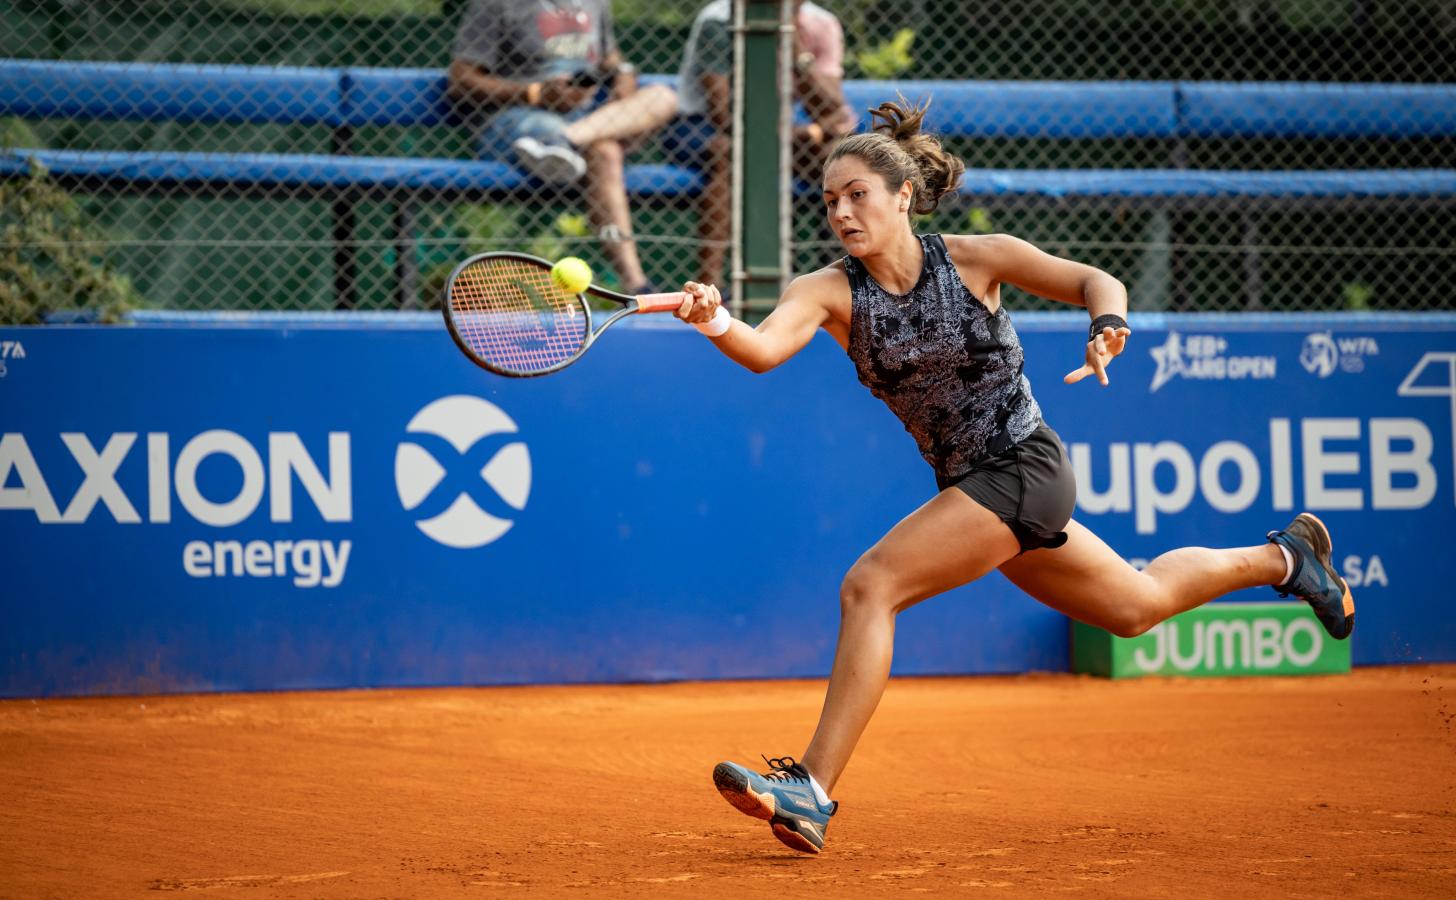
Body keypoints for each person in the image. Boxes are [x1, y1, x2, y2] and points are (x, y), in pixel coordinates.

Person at [672, 98, 1356, 854]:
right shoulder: (825, 291)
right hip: (974, 487)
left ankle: (812, 789)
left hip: (1025, 464)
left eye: (857, 195)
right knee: (1136, 607)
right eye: (830, 200)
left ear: (903, 195)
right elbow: (763, 350)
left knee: (871, 586)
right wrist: (713, 320)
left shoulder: (977, 257)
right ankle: (1288, 558)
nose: (841, 213)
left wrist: (1107, 327)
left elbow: (1096, 279)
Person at [447, 0, 678, 294]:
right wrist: (535, 93)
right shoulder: (495, 3)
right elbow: (461, 79)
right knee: (604, 150)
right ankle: (636, 282)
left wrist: (623, 75)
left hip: (582, 118)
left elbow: (611, 58)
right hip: (518, 117)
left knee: (662, 97)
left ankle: (566, 141)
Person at [668, 0, 858, 286]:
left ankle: (845, 280)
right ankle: (709, 287)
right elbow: (724, 115)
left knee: (838, 158)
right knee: (730, 153)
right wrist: (805, 133)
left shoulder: (821, 23)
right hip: (702, 126)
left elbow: (831, 109)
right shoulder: (718, 20)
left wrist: (794, 47)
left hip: (779, 131)